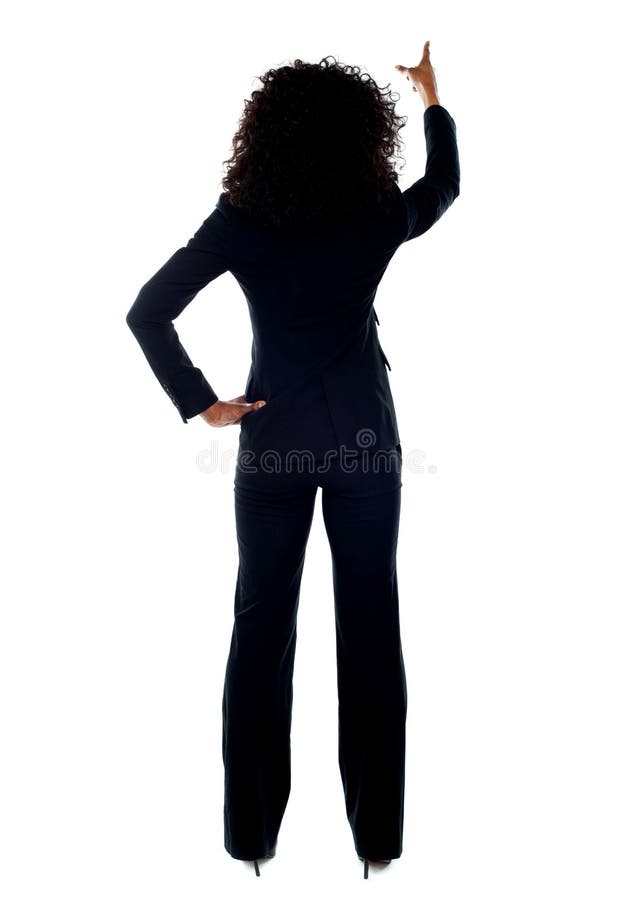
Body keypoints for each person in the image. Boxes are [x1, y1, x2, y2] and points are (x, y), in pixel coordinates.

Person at [125, 40, 460, 878]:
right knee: (371, 630)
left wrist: (201, 402)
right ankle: (377, 844)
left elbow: (147, 311)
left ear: (262, 134)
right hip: (361, 445)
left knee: (259, 628)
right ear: (361, 136)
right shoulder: (377, 214)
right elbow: (444, 187)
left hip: (270, 441)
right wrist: (432, 100)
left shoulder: (239, 219)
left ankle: (250, 842)